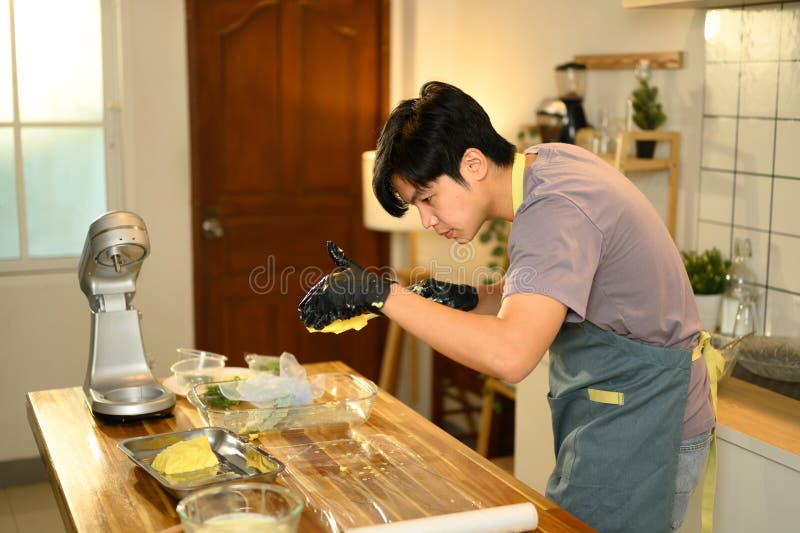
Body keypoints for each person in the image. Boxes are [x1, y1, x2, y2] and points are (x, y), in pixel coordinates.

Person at [298, 81, 716, 533]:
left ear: (473, 163)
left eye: (428, 197)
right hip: (622, 405)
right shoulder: (546, 165)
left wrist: (381, 295)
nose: (426, 219)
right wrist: (463, 296)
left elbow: (511, 355)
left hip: (646, 416)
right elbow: (538, 290)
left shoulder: (554, 211)